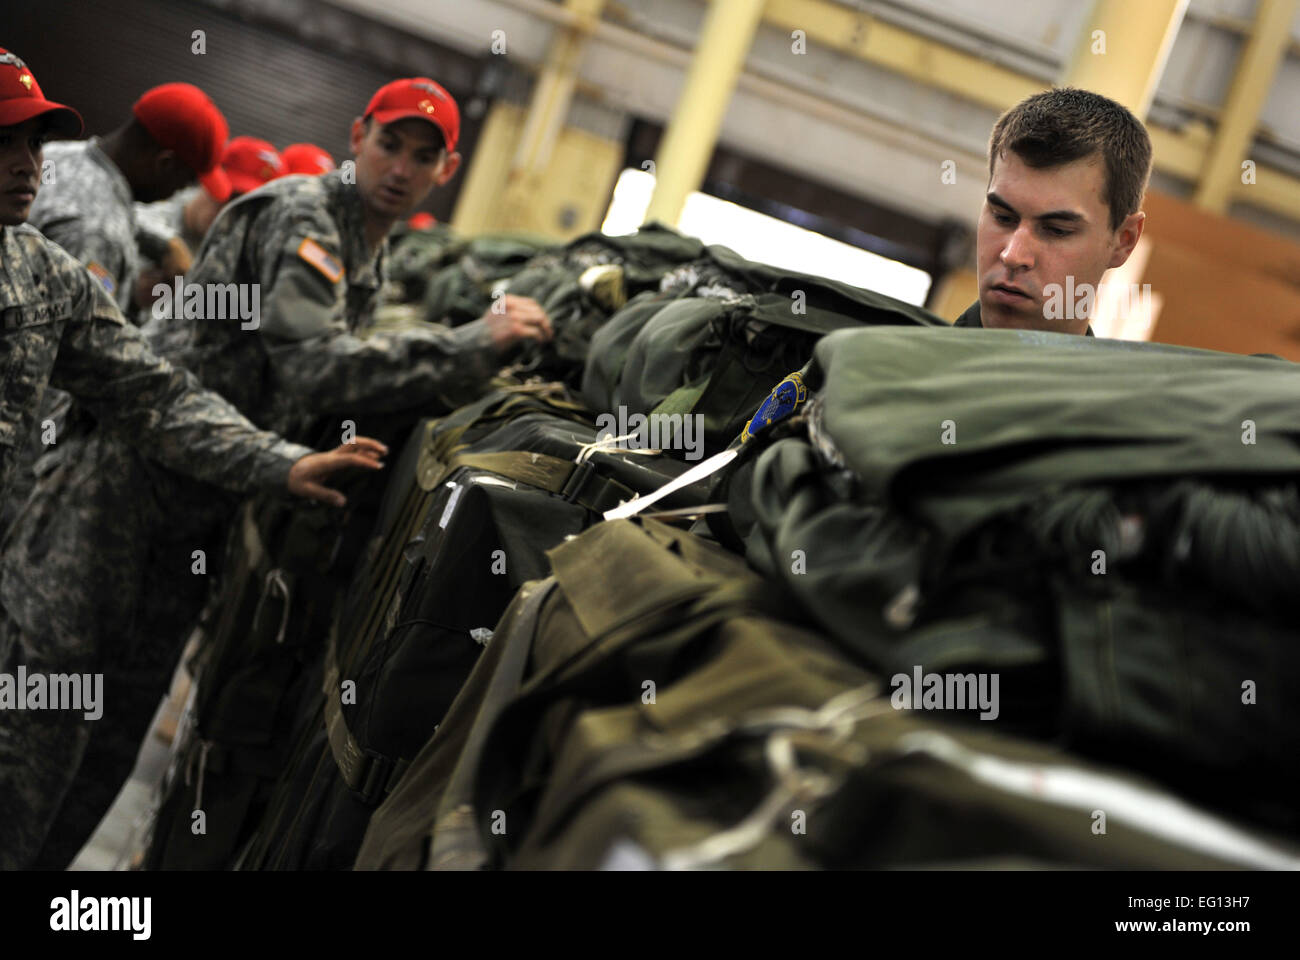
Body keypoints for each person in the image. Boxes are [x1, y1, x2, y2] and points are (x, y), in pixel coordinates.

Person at [0, 75, 551, 869]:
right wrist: (469, 345)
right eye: (389, 142)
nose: (400, 166)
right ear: (358, 135)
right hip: (114, 505)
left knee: (100, 758)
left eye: (421, 155)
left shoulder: (364, 245)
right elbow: (314, 369)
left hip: (193, 516)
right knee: (36, 749)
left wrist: (284, 464)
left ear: (447, 170)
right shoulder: (302, 214)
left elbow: (160, 386)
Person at [0, 49, 391, 869]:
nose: (28, 169)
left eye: (36, 146)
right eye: (6, 146)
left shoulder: (46, 277)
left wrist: (280, 463)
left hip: (19, 577)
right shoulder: (83, 233)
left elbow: (157, 394)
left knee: (24, 801)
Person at [953, 87, 1151, 337]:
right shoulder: (902, 372)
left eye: (1057, 230)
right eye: (1003, 217)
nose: (1013, 255)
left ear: (1124, 241)